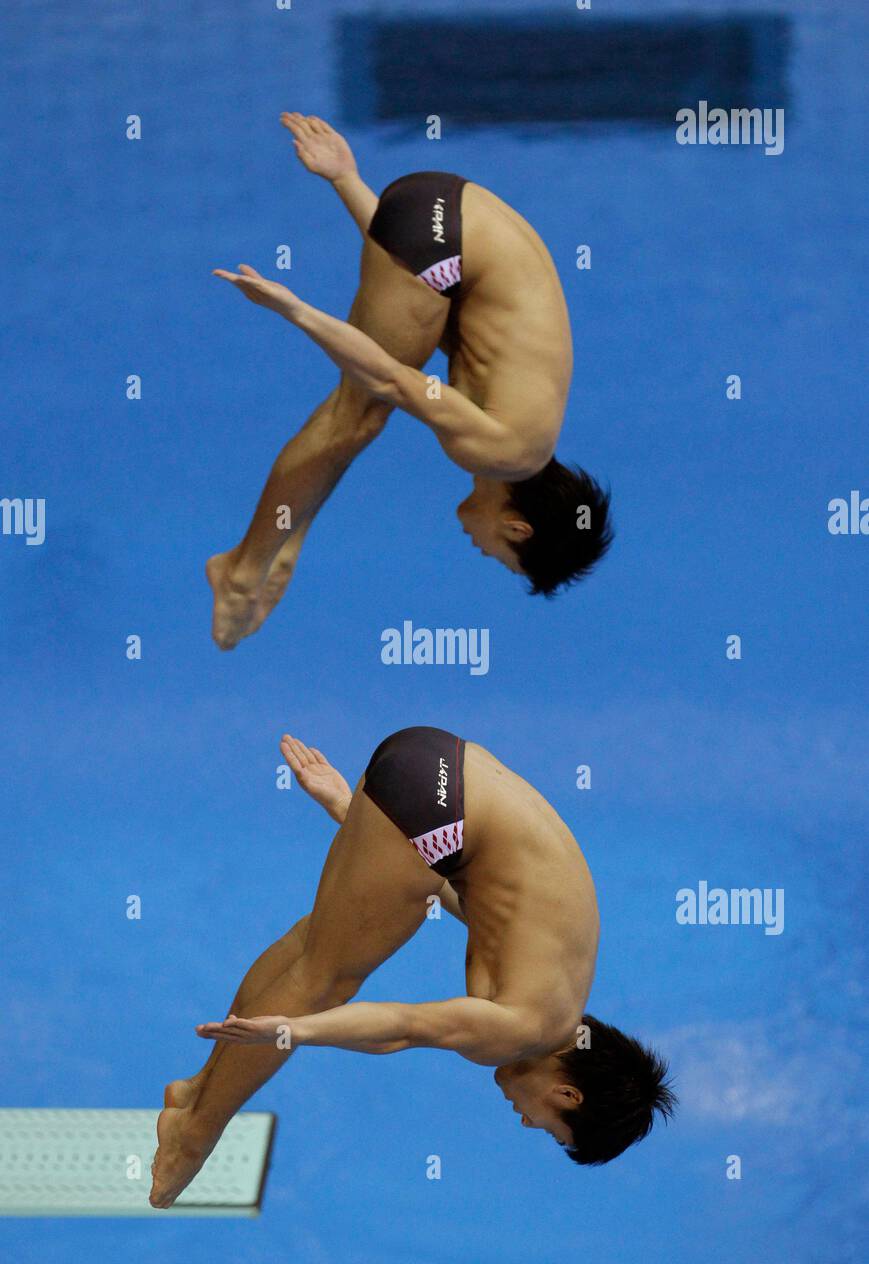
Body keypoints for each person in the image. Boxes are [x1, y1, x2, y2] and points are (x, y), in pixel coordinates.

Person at [150, 728, 674, 1208]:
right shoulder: (523, 1031)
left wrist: (350, 811)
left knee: (317, 942)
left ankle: (199, 1090)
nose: (525, 1121)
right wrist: (295, 1029)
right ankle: (197, 1133)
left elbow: (475, 896)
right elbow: (402, 1028)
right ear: (566, 1095)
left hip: (433, 763)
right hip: (435, 809)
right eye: (550, 1129)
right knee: (325, 982)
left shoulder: (563, 992)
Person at [206, 114, 614, 649]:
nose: (484, 552)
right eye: (504, 560)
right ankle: (240, 571)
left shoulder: (529, 424)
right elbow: (391, 377)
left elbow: (421, 278)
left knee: (362, 415)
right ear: (518, 529)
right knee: (357, 416)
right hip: (439, 235)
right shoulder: (502, 451)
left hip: (438, 208)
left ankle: (287, 538)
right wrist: (296, 309)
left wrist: (345, 179)